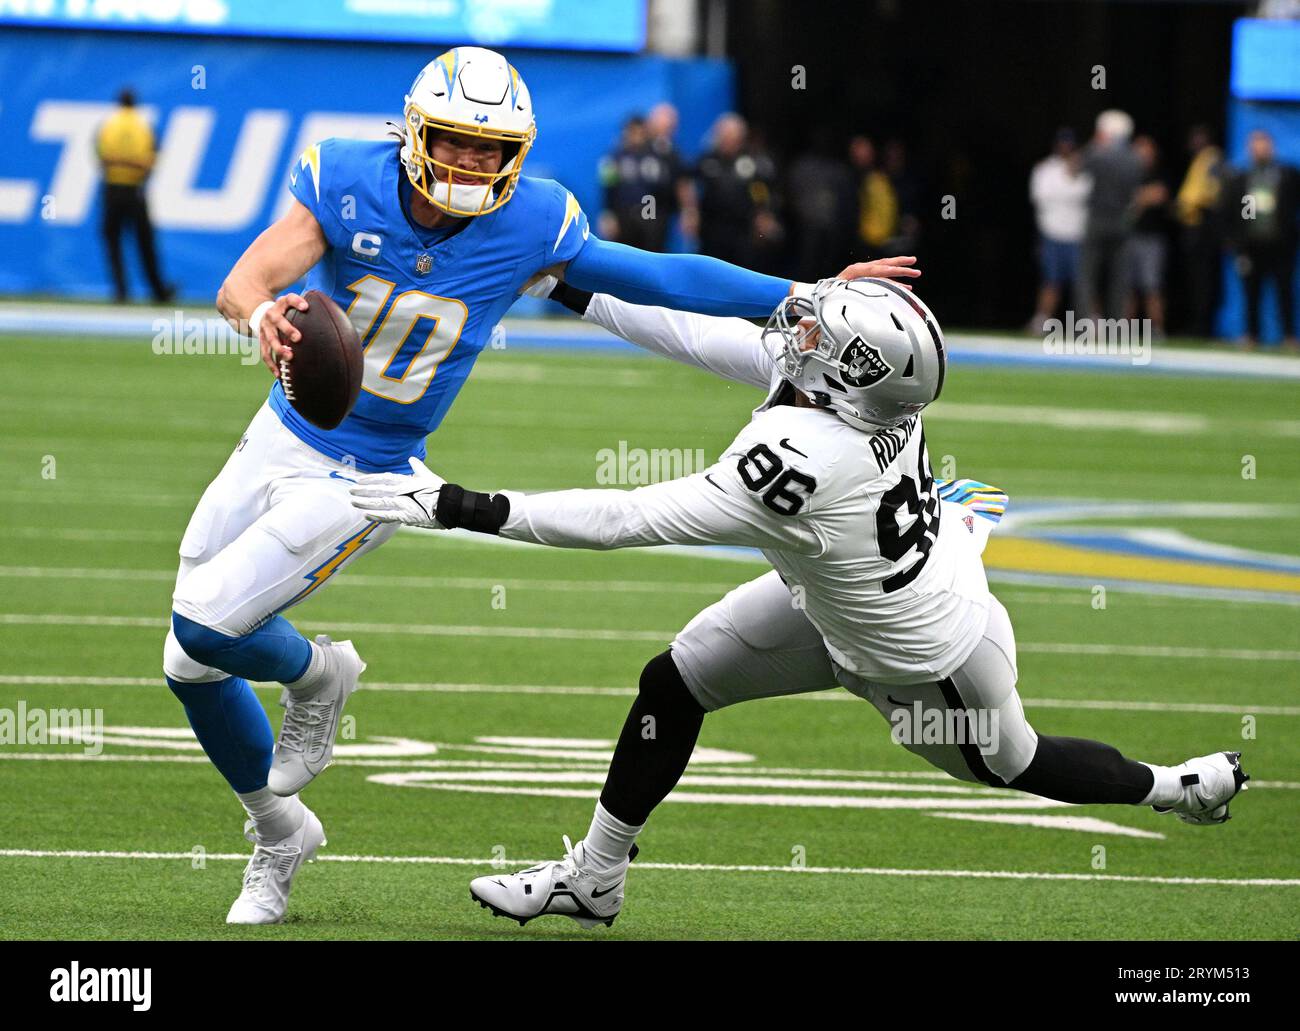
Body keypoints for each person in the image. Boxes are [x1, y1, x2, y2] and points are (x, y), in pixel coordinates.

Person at [166, 45, 905, 927]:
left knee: (204, 623)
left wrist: (802, 293)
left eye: (490, 147)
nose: (472, 161)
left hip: (373, 473)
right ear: (414, 132)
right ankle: (279, 831)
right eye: (455, 140)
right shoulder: (346, 177)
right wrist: (261, 313)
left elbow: (661, 276)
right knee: (188, 664)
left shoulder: (531, 222)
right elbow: (243, 280)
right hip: (279, 432)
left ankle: (319, 672)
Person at [351, 276, 1249, 930]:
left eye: (824, 331)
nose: (800, 327)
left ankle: (1176, 786)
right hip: (841, 597)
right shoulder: (860, 399)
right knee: (673, 682)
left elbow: (626, 518)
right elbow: (695, 334)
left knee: (1016, 761)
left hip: (928, 663)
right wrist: (568, 284)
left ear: (853, 375)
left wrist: (460, 505)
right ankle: (594, 877)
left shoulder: (802, 459)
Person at [1223, 129, 1299, 350]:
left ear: (1271, 147)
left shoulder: (1286, 174)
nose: (1260, 148)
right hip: (1252, 245)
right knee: (1251, 292)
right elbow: (1237, 212)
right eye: (1255, 144)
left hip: (1281, 243)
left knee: (1284, 290)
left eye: (1264, 143)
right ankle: (1251, 334)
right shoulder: (1243, 177)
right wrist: (1237, 242)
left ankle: (1289, 336)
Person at [95, 88, 173, 303]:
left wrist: (114, 171)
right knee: (145, 242)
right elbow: (152, 157)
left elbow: (99, 154)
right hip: (135, 190)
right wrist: (140, 176)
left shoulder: (109, 125)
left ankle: (121, 291)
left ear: (118, 102)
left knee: (113, 241)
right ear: (135, 103)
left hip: (112, 188)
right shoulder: (142, 126)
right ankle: (158, 291)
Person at [1079, 110, 1143, 320]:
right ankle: (1117, 321)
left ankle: (1086, 320)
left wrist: (1095, 143)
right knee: (1119, 276)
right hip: (1122, 221)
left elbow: (1078, 166)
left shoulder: (1097, 154)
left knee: (1088, 274)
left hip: (1098, 219)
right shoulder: (1134, 158)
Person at [694, 113, 780, 269]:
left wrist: (762, 214)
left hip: (742, 229)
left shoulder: (751, 162)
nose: (727, 140)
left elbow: (759, 189)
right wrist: (690, 212)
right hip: (712, 227)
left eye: (731, 136)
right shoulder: (708, 160)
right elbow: (688, 183)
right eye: (723, 135)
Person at [1027, 128, 1091, 331]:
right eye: (1063, 143)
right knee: (1051, 281)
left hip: (1077, 235)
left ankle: (1090, 321)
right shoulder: (1045, 169)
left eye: (1069, 143)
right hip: (1052, 233)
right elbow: (1040, 197)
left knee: (1083, 282)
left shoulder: (1085, 170)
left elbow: (1087, 196)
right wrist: (1068, 182)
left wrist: (1072, 176)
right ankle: (1042, 320)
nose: (1066, 147)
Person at [597, 115, 675, 252]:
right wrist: (608, 214)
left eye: (640, 132)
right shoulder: (614, 158)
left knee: (652, 253)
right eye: (632, 132)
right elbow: (608, 188)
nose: (636, 136)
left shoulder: (657, 156)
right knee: (624, 255)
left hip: (651, 214)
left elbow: (665, 187)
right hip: (624, 216)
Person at [1175, 125, 1225, 338]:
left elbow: (1212, 192)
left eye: (1199, 138)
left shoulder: (1211, 158)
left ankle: (1203, 327)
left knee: (1203, 279)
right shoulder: (1199, 160)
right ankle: (1197, 324)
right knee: (1196, 278)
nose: (1194, 142)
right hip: (1194, 225)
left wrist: (1189, 204)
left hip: (1204, 226)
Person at [1126, 135, 1171, 336]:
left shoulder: (1160, 173)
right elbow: (1122, 200)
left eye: (1147, 151)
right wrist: (1144, 197)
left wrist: (1137, 198)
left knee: (1152, 286)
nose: (1143, 155)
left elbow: (1160, 195)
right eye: (1139, 151)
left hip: (1153, 239)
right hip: (1128, 238)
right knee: (1127, 287)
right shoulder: (1126, 174)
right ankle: (1124, 330)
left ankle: (1157, 329)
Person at [848, 135, 899, 260]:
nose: (861, 154)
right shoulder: (848, 178)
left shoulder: (881, 178)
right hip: (859, 243)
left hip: (883, 242)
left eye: (865, 149)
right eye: (857, 149)